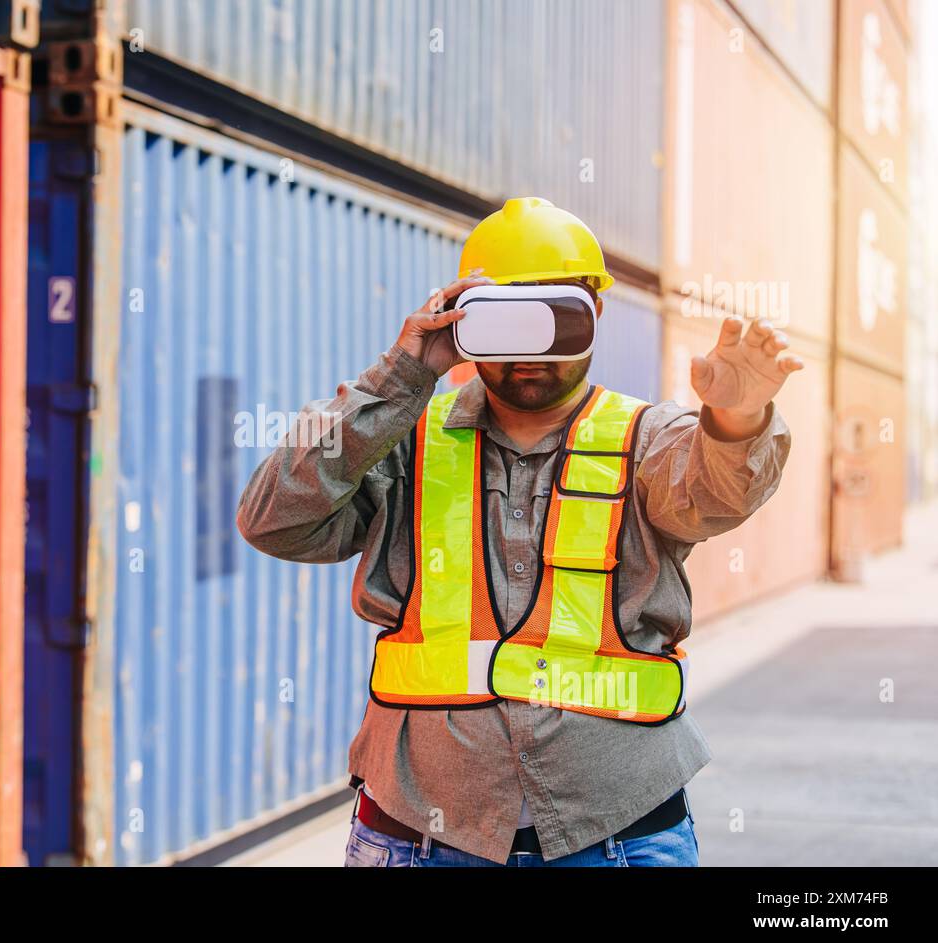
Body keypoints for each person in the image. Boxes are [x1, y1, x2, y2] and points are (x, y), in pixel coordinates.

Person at [236, 198, 798, 867]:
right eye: (503, 321)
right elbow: (273, 520)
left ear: (596, 316)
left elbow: (715, 492)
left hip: (619, 832)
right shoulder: (399, 436)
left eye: (553, 320)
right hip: (420, 834)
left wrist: (735, 417)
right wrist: (404, 370)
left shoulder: (650, 440)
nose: (529, 351)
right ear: (460, 314)